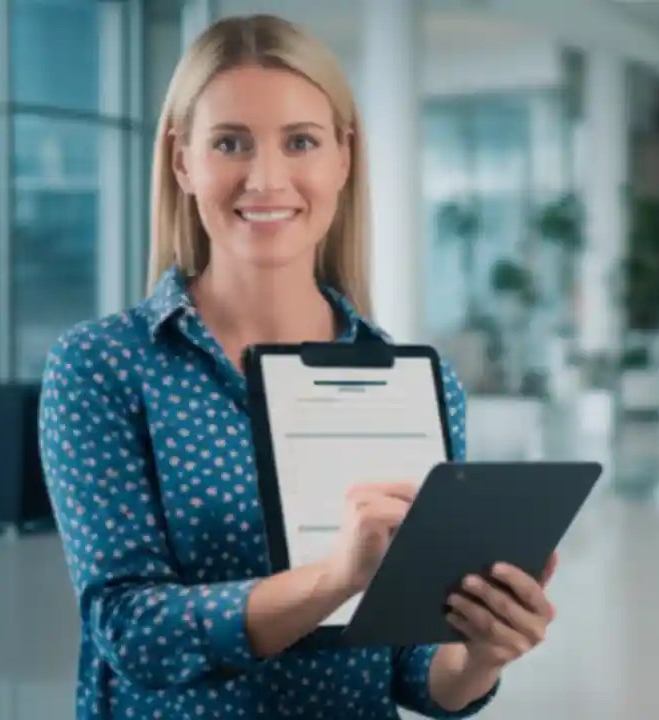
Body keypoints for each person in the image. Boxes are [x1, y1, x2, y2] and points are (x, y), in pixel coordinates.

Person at [38, 15, 556, 720]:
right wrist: (334, 579)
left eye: (301, 142)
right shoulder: (103, 368)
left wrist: (484, 652)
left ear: (343, 158)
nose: (267, 178)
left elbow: (409, 665)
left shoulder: (418, 386)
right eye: (230, 143)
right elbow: (135, 633)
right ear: (183, 161)